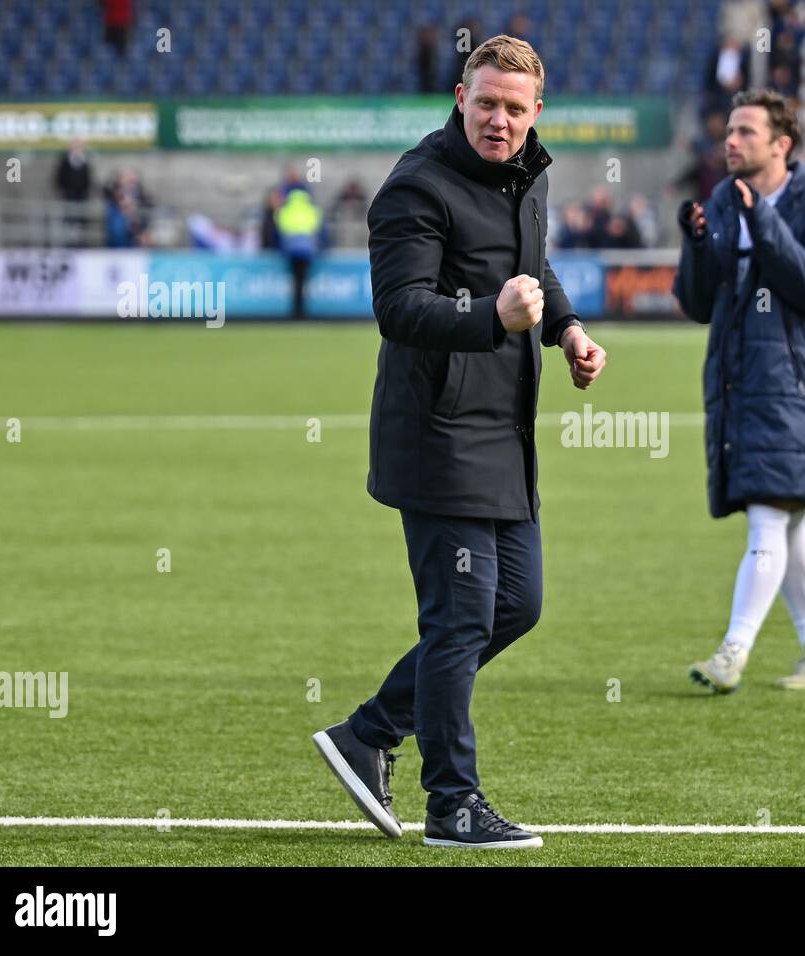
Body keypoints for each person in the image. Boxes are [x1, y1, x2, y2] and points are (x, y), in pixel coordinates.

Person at [312, 35, 606, 849]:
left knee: (518, 605)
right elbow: (399, 309)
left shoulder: (529, 175)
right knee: (461, 619)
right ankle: (454, 804)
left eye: (515, 108)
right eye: (486, 104)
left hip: (505, 432)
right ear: (459, 96)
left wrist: (568, 329)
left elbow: (532, 272)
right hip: (437, 435)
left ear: (536, 111)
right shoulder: (416, 186)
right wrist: (490, 318)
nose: (500, 121)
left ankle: (368, 732)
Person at [673, 89, 805, 694]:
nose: (730, 140)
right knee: (785, 517)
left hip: (801, 388)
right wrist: (697, 245)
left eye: (747, 132)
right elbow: (699, 304)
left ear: (782, 145)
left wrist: (761, 219)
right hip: (740, 383)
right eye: (729, 129)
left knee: (768, 514)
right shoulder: (725, 198)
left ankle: (733, 650)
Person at [274, 187, 324, 318]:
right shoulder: (312, 210)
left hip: (291, 250)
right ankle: (302, 311)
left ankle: (295, 310)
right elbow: (317, 229)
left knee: (295, 280)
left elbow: (281, 229)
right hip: (307, 250)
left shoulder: (285, 210)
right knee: (302, 280)